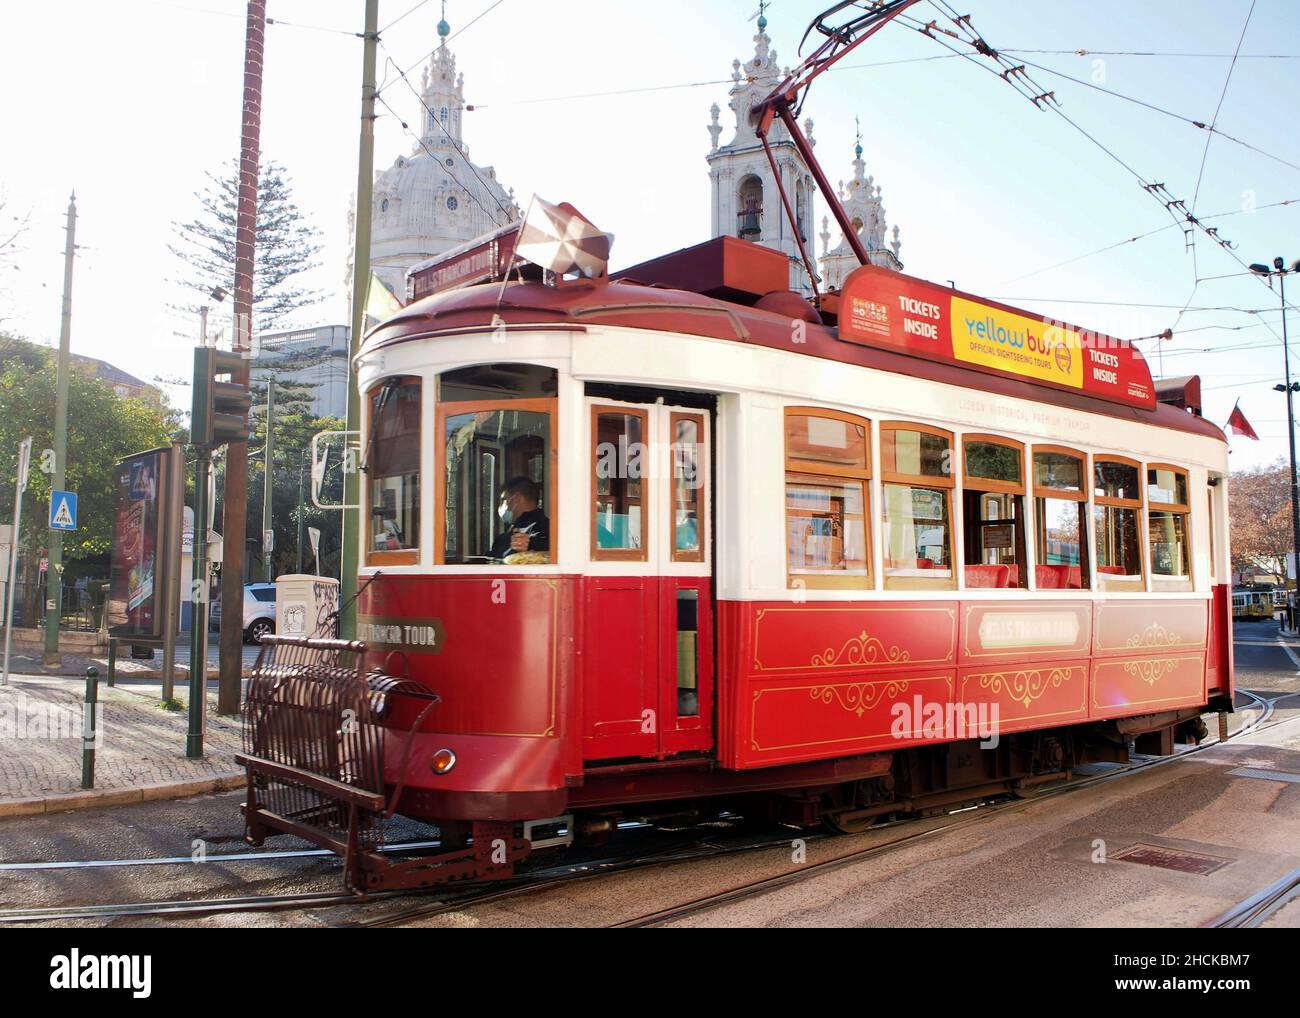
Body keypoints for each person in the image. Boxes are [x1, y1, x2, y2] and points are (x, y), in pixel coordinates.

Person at [491, 476, 550, 559]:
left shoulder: (545, 532)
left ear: (517, 498)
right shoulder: (509, 534)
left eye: (504, 500)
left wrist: (529, 546)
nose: (501, 505)